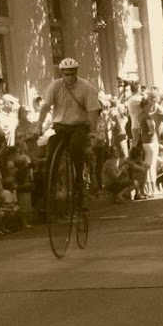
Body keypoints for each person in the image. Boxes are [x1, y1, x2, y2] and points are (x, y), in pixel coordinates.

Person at [36, 57, 103, 212]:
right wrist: (39, 124)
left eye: (72, 74)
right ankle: (48, 194)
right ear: (62, 73)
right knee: (51, 153)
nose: (69, 77)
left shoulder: (86, 87)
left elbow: (93, 111)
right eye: (66, 74)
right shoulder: (55, 86)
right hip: (61, 127)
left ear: (76, 72)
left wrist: (92, 133)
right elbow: (46, 105)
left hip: (79, 126)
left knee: (75, 148)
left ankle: (79, 183)